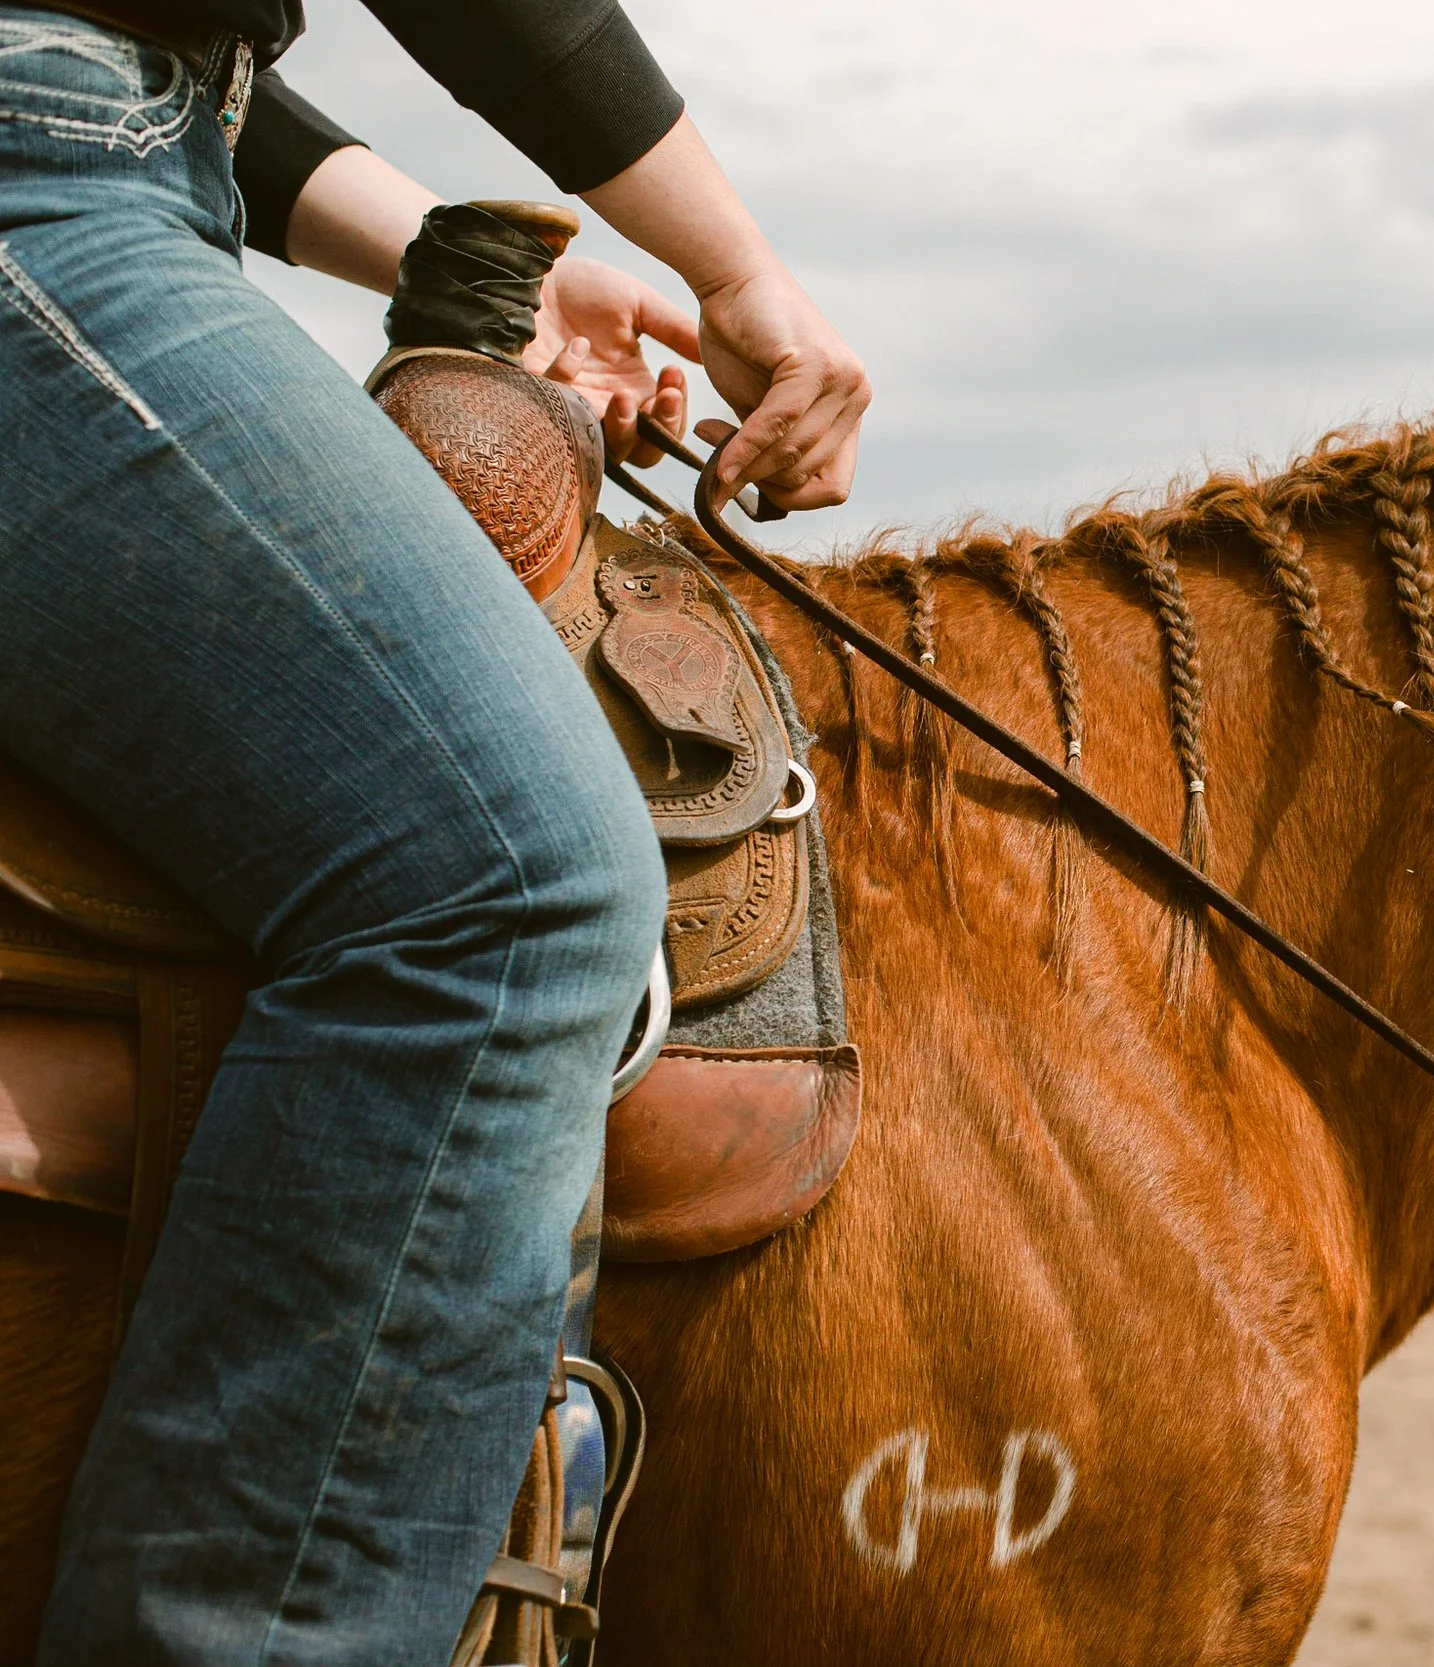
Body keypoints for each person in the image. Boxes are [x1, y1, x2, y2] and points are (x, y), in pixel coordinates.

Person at [0, 1, 868, 1658]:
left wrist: (465, 255)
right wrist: (735, 266)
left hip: (125, 164)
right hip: (41, 195)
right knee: (519, 879)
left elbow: (156, 61)